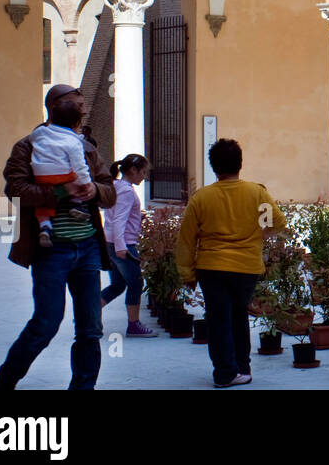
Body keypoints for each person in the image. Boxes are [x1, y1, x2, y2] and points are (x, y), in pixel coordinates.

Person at [0, 84, 115, 390]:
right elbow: (16, 190)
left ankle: (83, 387)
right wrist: (62, 191)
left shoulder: (86, 147)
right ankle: (6, 381)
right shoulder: (29, 146)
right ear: (55, 105)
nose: (82, 108)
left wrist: (94, 190)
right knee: (46, 323)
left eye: (82, 104)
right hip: (51, 249)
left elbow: (109, 190)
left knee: (90, 329)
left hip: (87, 247)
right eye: (75, 103)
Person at [175, 138, 285, 388]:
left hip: (211, 267)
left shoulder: (202, 198)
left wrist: (187, 274)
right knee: (239, 315)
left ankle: (225, 372)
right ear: (240, 164)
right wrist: (259, 234)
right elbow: (277, 222)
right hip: (246, 267)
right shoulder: (256, 193)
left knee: (218, 319)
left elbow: (186, 240)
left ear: (214, 167)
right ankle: (242, 367)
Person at [100, 153, 157, 337]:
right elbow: (119, 219)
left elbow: (116, 216)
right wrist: (121, 247)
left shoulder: (116, 186)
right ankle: (133, 325)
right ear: (133, 170)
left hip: (112, 242)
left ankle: (88, 315)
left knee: (117, 285)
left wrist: (136, 217)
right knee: (135, 283)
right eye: (143, 172)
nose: (144, 176)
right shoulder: (125, 190)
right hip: (123, 244)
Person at [27, 112, 92, 248]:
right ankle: (76, 204)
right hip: (62, 175)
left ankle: (45, 228)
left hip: (40, 176)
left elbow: (107, 188)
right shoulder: (73, 141)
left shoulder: (39, 133)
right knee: (77, 179)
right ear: (76, 124)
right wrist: (86, 184)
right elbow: (80, 167)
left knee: (42, 208)